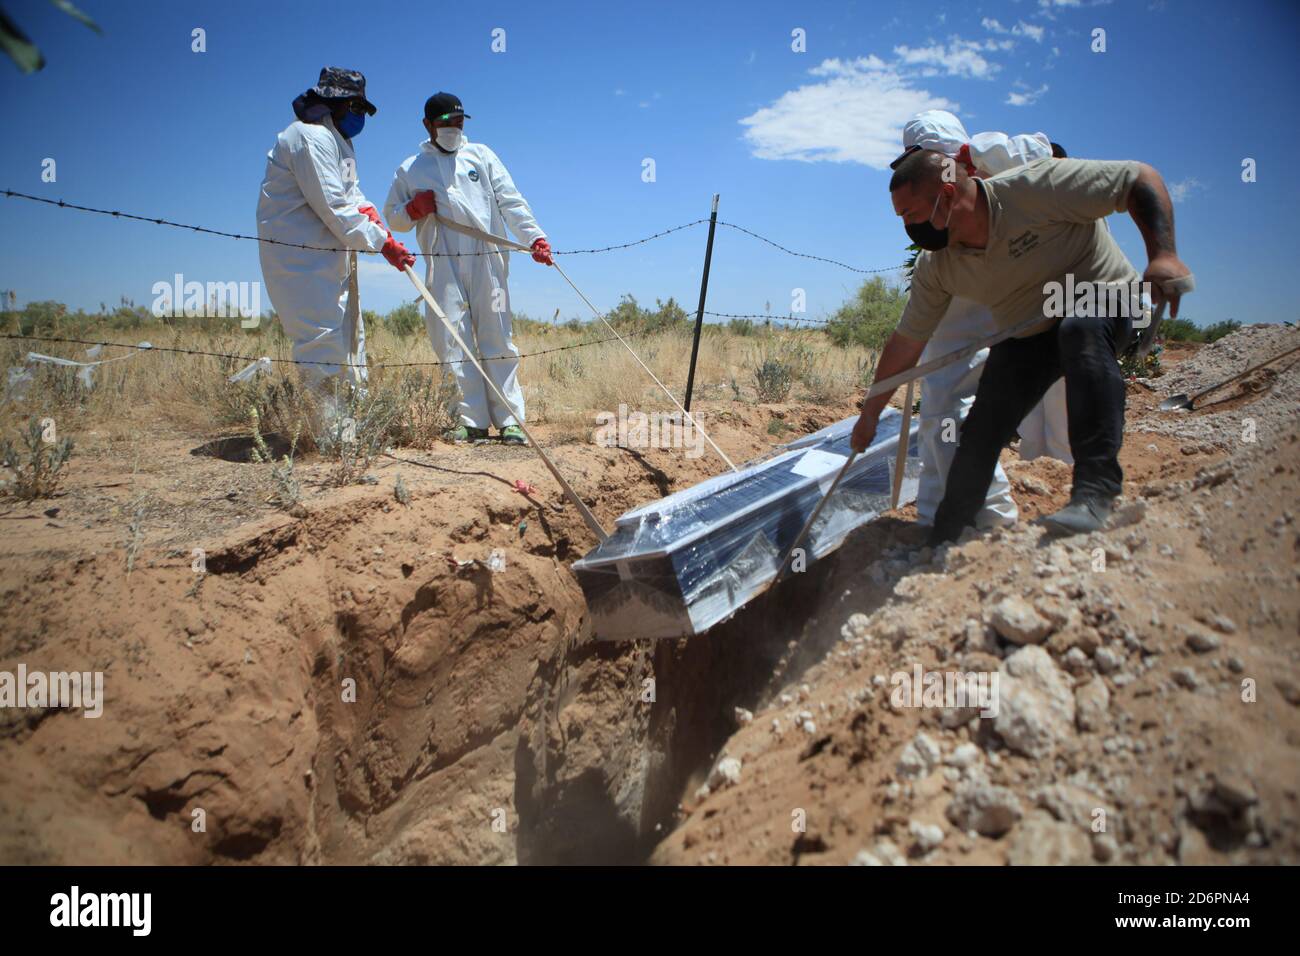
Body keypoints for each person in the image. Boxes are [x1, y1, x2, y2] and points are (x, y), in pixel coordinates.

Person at [854, 148, 1191, 540]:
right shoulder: (939, 266)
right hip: (1030, 330)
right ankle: (948, 530)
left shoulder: (1034, 189)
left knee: (1079, 331)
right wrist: (870, 416)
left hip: (1102, 299)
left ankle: (1095, 493)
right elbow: (906, 344)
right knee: (983, 426)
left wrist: (1163, 254)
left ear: (946, 196)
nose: (907, 227)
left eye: (909, 215)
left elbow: (1140, 177)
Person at [892, 110, 1074, 533]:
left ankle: (1035, 498)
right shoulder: (939, 245)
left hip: (1040, 282)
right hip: (967, 276)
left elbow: (1060, 159)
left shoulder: (999, 153)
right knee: (943, 398)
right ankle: (944, 516)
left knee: (1053, 396)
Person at [383, 92, 552, 446]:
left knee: (497, 335)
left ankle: (509, 420)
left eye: (459, 122)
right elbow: (393, 217)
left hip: (487, 257)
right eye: (445, 123)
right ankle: (470, 420)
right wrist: (414, 209)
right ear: (428, 125)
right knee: (451, 338)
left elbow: (511, 200)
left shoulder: (482, 156)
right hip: (441, 261)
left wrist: (534, 237)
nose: (453, 129)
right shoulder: (411, 168)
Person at [256, 67, 415, 425]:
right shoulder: (308, 138)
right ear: (333, 103)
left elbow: (351, 196)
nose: (360, 116)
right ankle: (328, 431)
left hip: (329, 257)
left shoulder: (340, 144)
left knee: (349, 337)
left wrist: (370, 212)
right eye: (355, 107)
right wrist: (383, 242)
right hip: (299, 260)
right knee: (321, 341)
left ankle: (353, 422)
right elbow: (335, 206)